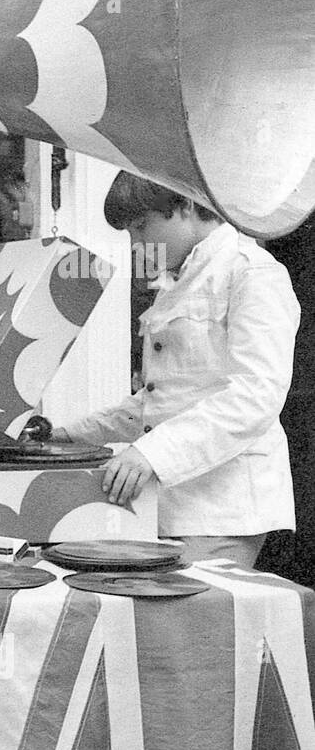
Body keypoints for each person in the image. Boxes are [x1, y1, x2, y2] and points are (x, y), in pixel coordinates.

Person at [52, 171, 299, 568]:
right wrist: (68, 434)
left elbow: (256, 396)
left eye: (141, 226)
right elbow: (161, 401)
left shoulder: (251, 272)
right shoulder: (179, 279)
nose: (136, 243)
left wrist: (150, 455)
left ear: (184, 205)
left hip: (225, 508)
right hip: (174, 504)